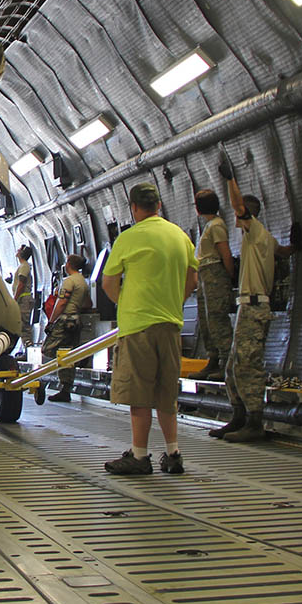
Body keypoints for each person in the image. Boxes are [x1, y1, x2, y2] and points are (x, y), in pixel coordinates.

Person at [101, 182, 198, 475]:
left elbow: (108, 283)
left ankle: (140, 456)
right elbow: (192, 280)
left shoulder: (128, 238)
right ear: (159, 206)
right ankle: (173, 454)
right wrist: (171, 302)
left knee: (139, 393)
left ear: (133, 208)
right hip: (170, 324)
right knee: (166, 393)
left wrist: (127, 303)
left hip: (137, 326)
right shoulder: (180, 237)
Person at [213, 159, 298, 442]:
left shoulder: (255, 230)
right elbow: (282, 252)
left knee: (247, 365)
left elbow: (239, 206)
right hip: (247, 308)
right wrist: (296, 246)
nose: (236, 219)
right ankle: (238, 416)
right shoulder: (264, 239)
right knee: (232, 366)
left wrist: (230, 180)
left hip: (254, 307)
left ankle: (254, 422)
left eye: (239, 215)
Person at [189, 189, 235, 381]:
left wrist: (229, 278)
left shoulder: (216, 226)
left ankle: (227, 362)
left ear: (198, 209)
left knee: (217, 318)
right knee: (206, 319)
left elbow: (225, 254)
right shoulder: (210, 226)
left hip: (215, 274)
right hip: (206, 276)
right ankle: (213, 358)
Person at [41, 253, 92, 401]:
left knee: (48, 349)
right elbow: (88, 303)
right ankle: (65, 389)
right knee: (67, 353)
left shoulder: (69, 281)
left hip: (64, 321)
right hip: (76, 321)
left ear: (69, 264)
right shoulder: (83, 281)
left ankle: (79, 360)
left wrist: (51, 322)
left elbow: (62, 303)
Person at [12, 245, 35, 353]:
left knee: (24, 326)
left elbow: (21, 283)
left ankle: (29, 350)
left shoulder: (24, 266)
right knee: (22, 325)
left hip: (23, 300)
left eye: (19, 249)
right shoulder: (23, 266)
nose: (17, 250)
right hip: (23, 299)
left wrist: (14, 299)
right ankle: (27, 350)